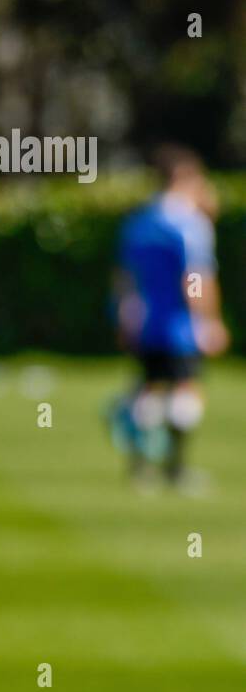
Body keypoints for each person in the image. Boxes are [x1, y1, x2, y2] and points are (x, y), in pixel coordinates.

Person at [110, 143, 230, 491]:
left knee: (149, 391)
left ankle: (139, 469)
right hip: (179, 324)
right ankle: (175, 469)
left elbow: (125, 279)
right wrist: (206, 319)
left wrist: (124, 316)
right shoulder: (189, 224)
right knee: (185, 393)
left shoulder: (138, 222)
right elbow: (194, 278)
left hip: (145, 322)